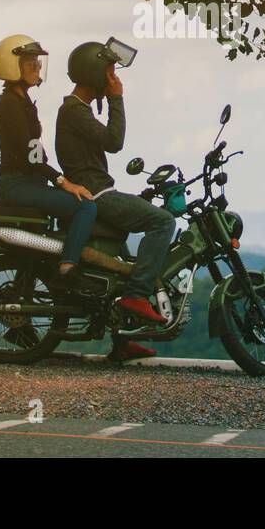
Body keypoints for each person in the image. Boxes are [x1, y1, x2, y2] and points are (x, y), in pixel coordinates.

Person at [55, 41, 175, 362]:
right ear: (93, 73)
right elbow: (114, 142)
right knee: (163, 221)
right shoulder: (73, 110)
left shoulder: (75, 110)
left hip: (99, 190)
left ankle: (123, 337)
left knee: (123, 256)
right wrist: (117, 98)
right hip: (98, 194)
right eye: (108, 71)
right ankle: (137, 297)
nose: (112, 77)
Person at [0, 34, 96, 289]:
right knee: (86, 207)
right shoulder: (10, 105)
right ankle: (68, 267)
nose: (37, 68)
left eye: (38, 63)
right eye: (30, 63)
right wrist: (63, 182)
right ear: (11, 66)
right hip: (17, 186)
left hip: (26, 183)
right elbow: (31, 155)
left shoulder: (21, 101)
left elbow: (36, 153)